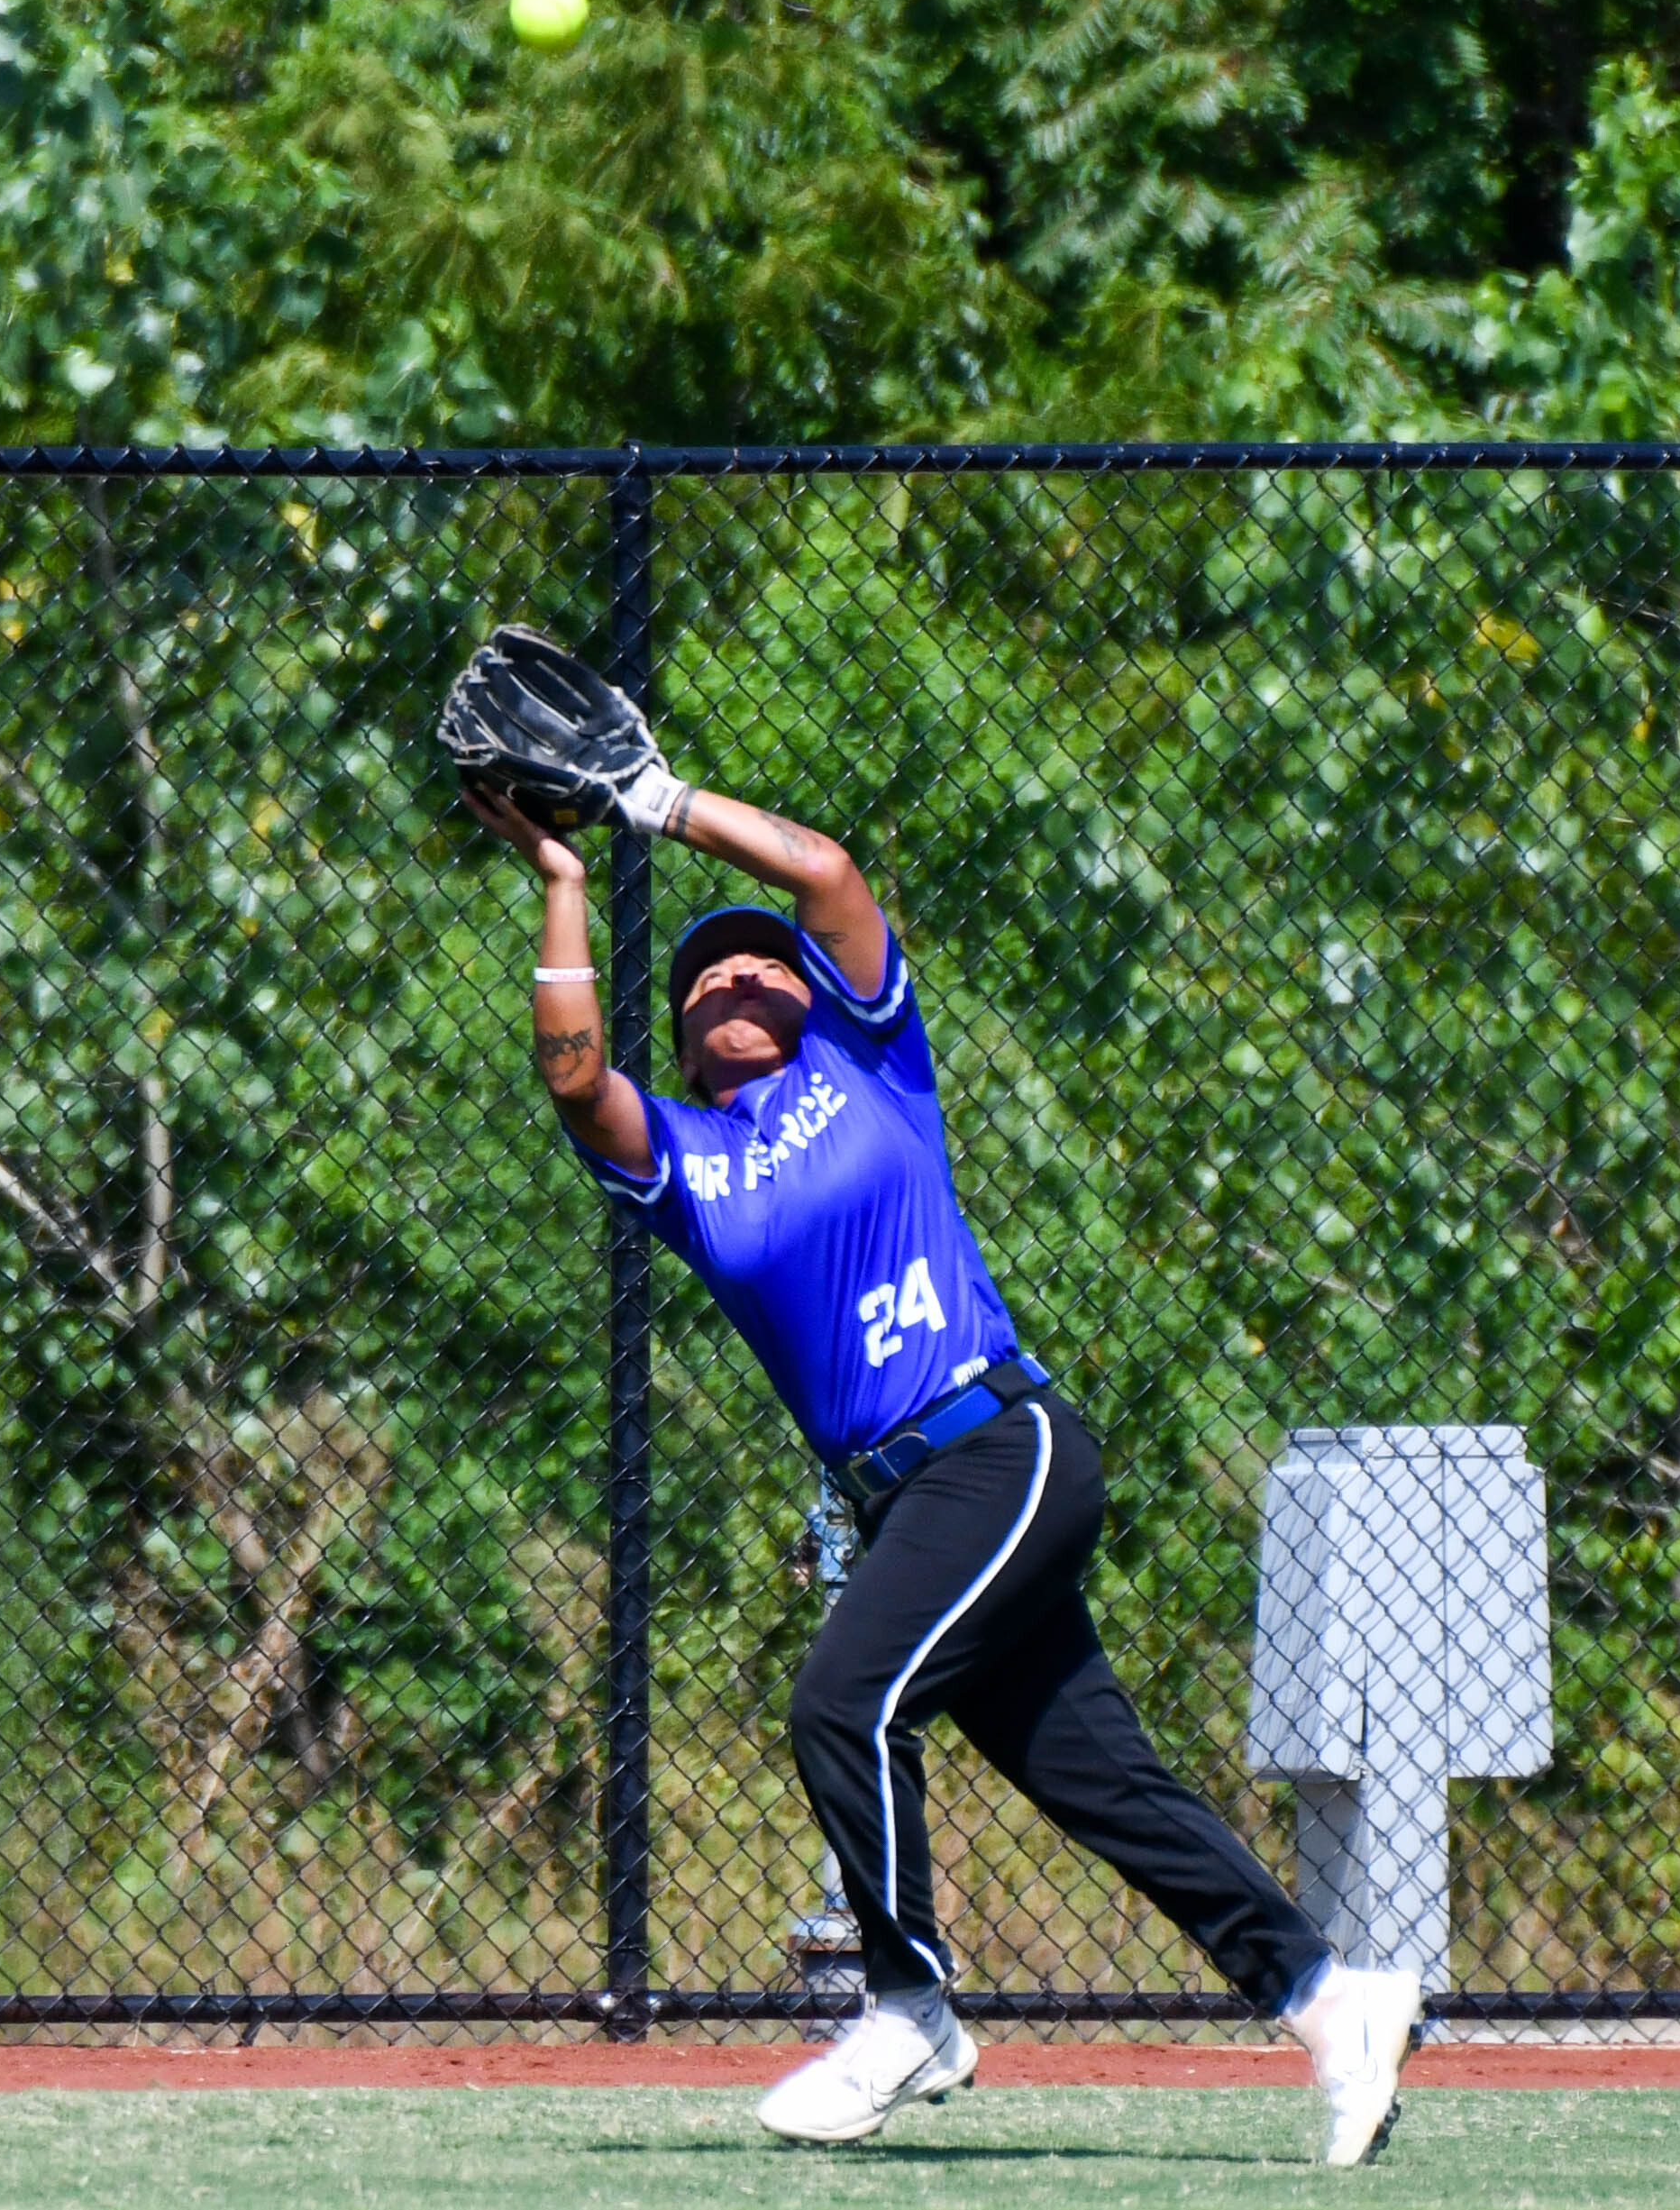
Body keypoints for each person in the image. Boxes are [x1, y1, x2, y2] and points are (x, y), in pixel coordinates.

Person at [462, 748, 1423, 2166]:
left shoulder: (872, 1063)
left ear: (811, 997)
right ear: (677, 1036)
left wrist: (652, 803)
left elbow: (827, 873)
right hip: (918, 1497)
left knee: (840, 1703)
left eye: (758, 967)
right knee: (1102, 1782)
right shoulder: (685, 1163)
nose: (732, 981)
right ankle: (1328, 1994)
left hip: (999, 1445)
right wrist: (559, 882)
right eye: (702, 982)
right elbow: (569, 1078)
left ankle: (908, 2004)